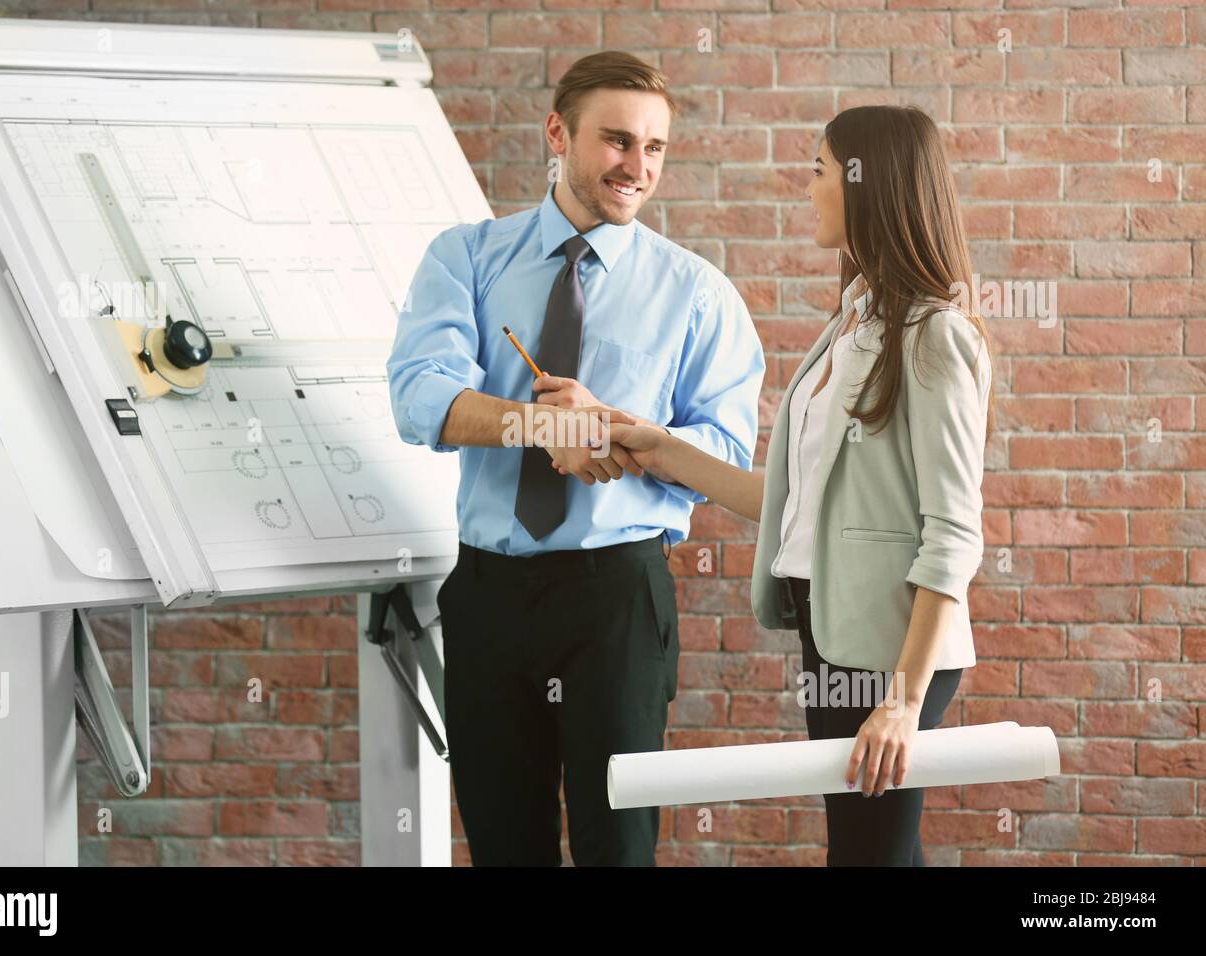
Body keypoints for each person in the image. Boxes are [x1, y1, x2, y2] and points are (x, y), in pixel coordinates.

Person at [386, 51, 765, 866]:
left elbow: (728, 455)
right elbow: (421, 399)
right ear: (557, 133)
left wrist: (621, 437)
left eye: (655, 149)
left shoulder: (698, 294)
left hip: (616, 600)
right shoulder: (466, 259)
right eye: (617, 141)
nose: (637, 167)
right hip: (487, 591)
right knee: (503, 845)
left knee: (616, 849)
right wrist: (539, 428)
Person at [603, 105, 996, 866]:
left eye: (819, 170)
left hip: (895, 652)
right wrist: (662, 449)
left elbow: (954, 534)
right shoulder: (853, 322)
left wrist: (903, 702)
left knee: (869, 855)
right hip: (833, 636)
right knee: (867, 851)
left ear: (865, 184)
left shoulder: (934, 337)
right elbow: (796, 506)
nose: (808, 188)